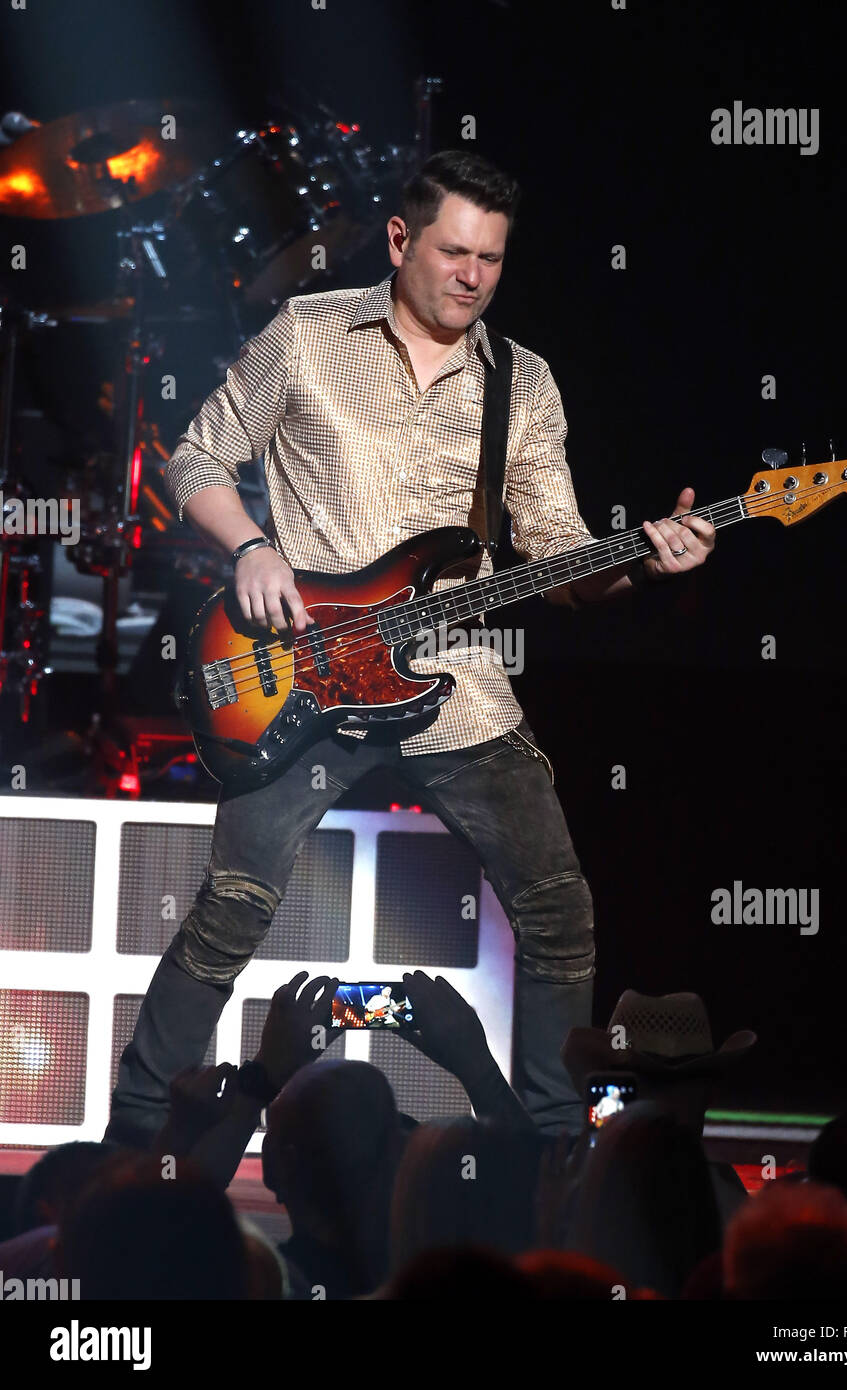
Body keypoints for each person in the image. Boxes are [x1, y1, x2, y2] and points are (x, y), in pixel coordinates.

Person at [106, 149, 715, 1148]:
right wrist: (252, 546)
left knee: (559, 909)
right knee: (231, 911)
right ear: (399, 240)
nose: (472, 276)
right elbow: (198, 456)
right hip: (298, 673)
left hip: (454, 687)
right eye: (452, 252)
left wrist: (640, 564)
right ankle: (131, 1143)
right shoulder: (307, 335)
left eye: (492, 259)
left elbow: (561, 561)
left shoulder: (521, 382)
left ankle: (553, 1153)